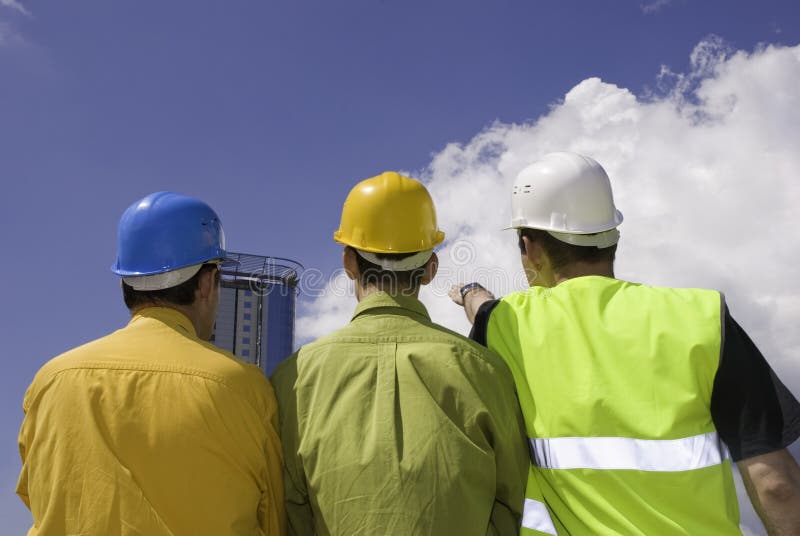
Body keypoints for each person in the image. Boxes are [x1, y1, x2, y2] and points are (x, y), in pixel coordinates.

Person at [450, 151, 800, 535]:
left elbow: (484, 309)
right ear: (612, 235)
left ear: (530, 247)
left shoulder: (505, 322)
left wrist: (469, 292)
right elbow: (776, 485)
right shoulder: (701, 316)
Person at [271, 171, 538, 535]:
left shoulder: (293, 379)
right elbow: (515, 505)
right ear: (430, 269)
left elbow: (287, 512)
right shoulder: (486, 371)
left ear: (349, 262)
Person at [17, 191, 285, 536]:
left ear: (124, 282)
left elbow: (39, 496)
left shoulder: (51, 380)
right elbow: (274, 519)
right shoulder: (243, 387)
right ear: (206, 284)